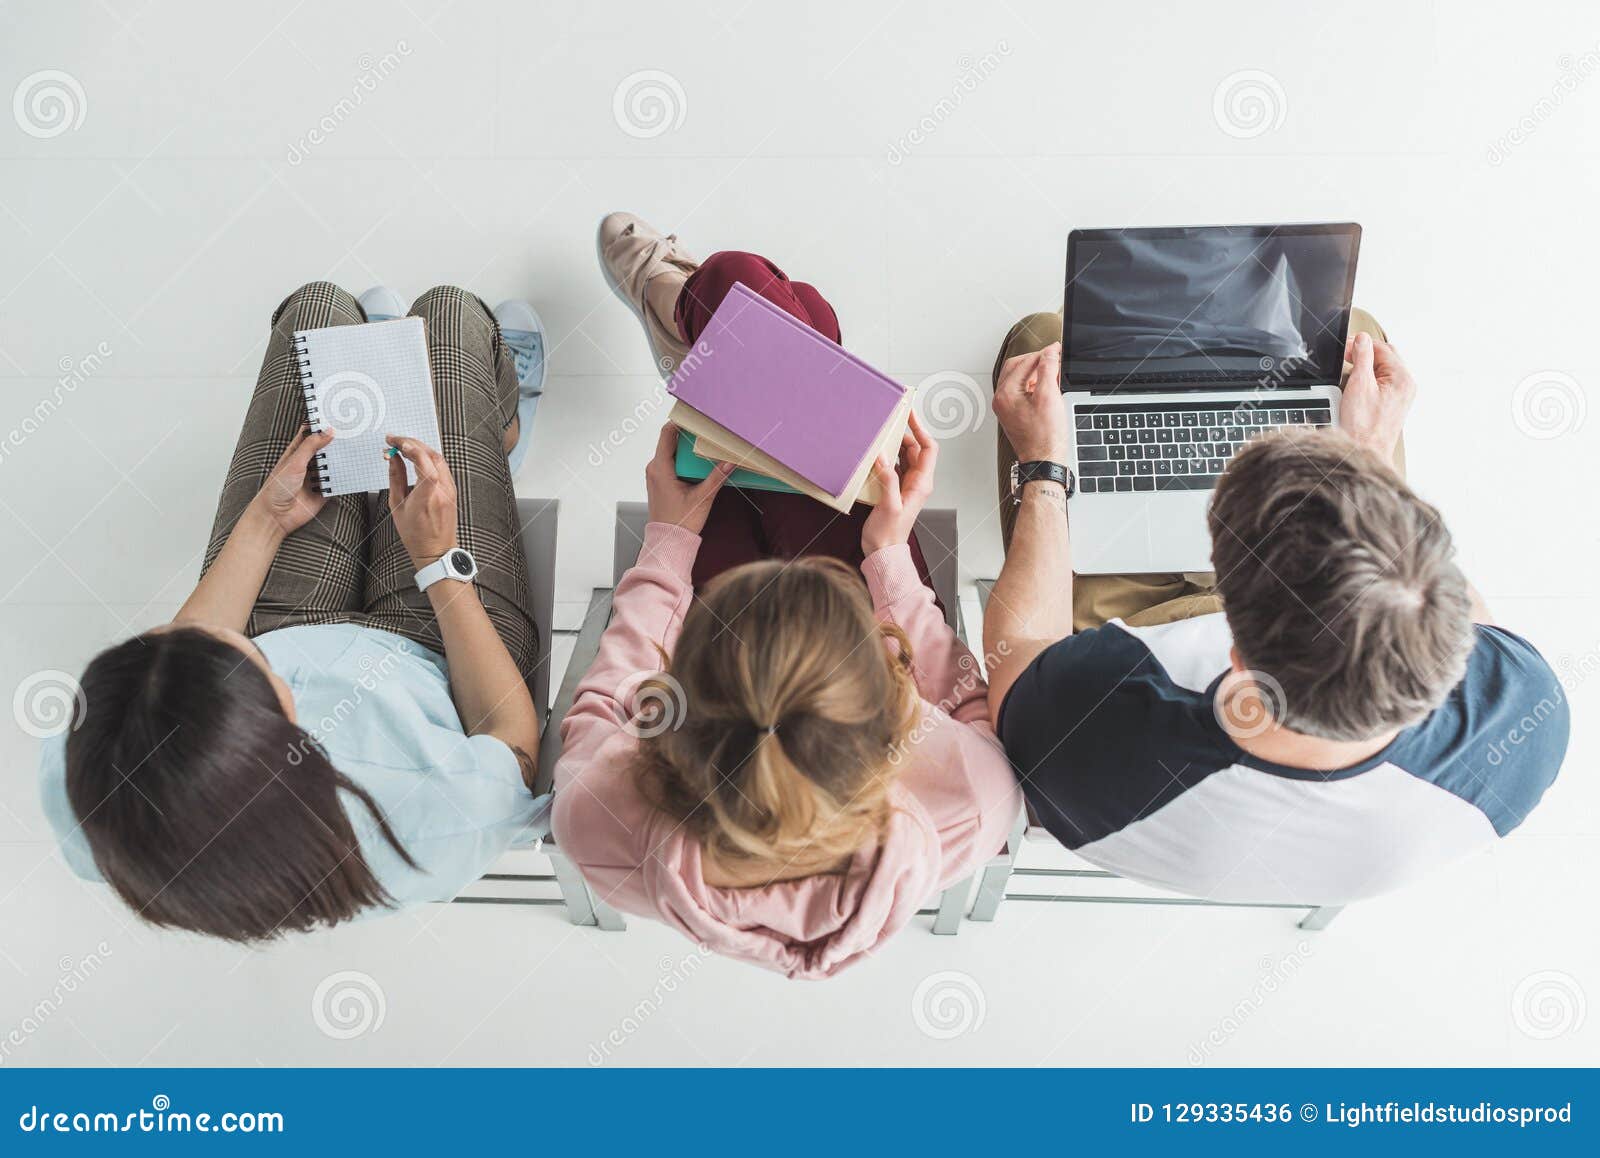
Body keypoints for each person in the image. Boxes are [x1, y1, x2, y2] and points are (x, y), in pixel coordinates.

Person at [550, 216, 1022, 978]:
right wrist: (885, 553)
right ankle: (693, 328)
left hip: (772, 627)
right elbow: (965, 701)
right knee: (781, 322)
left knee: (752, 307)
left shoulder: (597, 828)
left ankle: (695, 328)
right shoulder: (971, 807)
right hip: (857, 591)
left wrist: (670, 540)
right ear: (887, 694)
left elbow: (601, 709)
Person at [982, 313, 1568, 904]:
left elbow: (1021, 653)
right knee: (1351, 335)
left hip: (1140, 635)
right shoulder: (1526, 723)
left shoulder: (1092, 731)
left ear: (1231, 647)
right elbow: (1440, 595)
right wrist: (1366, 456)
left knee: (1043, 340)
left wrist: (1044, 468)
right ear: (1450, 650)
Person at [39, 281, 550, 941]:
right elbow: (510, 733)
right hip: (441, 656)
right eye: (232, 656)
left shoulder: (91, 775)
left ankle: (395, 373)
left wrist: (266, 520)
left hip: (283, 621)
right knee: (449, 312)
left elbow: (194, 649)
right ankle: (498, 429)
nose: (205, 635)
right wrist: (437, 561)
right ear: (284, 728)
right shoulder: (434, 825)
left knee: (319, 313)